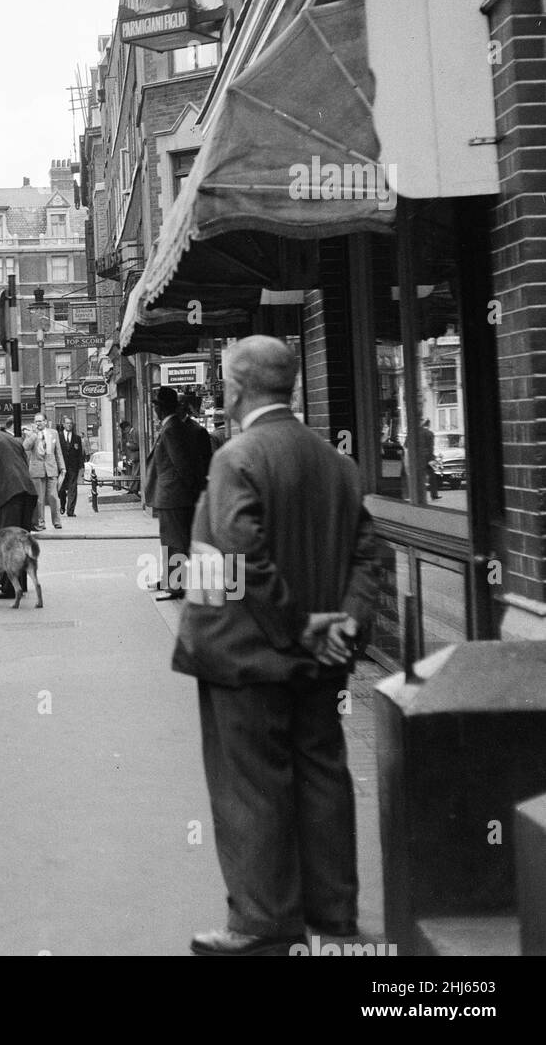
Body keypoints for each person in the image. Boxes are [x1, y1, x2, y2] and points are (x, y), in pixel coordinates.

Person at [173, 335, 382, 956]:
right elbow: (369, 554)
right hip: (321, 665)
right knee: (322, 777)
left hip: (247, 656)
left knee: (252, 791)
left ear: (235, 389)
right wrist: (343, 624)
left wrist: (297, 626)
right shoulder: (337, 464)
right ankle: (334, 917)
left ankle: (263, 924)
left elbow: (238, 555)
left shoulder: (235, 458)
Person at [144, 386, 212, 601]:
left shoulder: (172, 429)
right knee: (171, 541)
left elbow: (182, 464)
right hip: (173, 495)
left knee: (175, 543)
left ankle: (176, 586)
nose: (154, 410)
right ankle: (169, 580)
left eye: (155, 406)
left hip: (174, 496)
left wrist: (192, 492)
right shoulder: (171, 426)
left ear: (160, 408)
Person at [0, 417, 37, 600]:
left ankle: (10, 589)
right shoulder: (12, 438)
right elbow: (23, 462)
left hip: (7, 495)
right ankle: (21, 585)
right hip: (26, 492)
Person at [23, 414, 66, 531]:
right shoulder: (32, 434)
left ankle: (57, 521)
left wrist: (62, 467)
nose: (38, 423)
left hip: (51, 468)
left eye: (40, 421)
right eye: (36, 421)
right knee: (39, 499)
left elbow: (58, 452)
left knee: (53, 496)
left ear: (46, 422)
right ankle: (40, 522)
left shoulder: (54, 433)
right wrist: (32, 435)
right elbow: (25, 447)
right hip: (37, 469)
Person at [57, 417, 86, 518]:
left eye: (71, 423)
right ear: (63, 425)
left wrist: (81, 467)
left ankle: (70, 511)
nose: (69, 425)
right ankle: (62, 504)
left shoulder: (77, 438)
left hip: (73, 468)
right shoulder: (58, 437)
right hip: (61, 467)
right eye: (67, 423)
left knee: (72, 489)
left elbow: (80, 454)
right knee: (61, 489)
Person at [118, 420, 141, 496]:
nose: (125, 432)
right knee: (134, 473)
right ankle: (133, 489)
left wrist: (128, 445)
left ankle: (133, 490)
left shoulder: (134, 433)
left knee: (135, 474)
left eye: (124, 430)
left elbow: (138, 445)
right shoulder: (132, 433)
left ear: (127, 428)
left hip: (137, 457)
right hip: (135, 457)